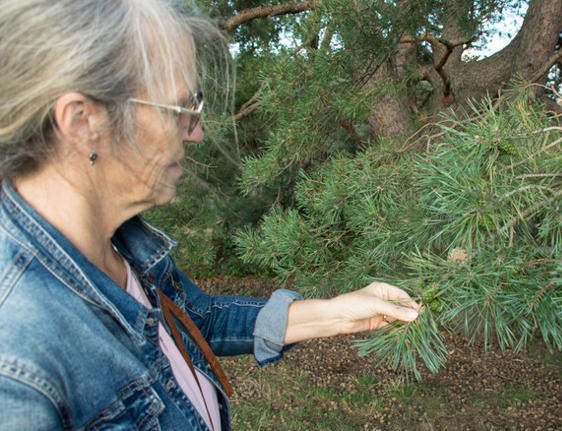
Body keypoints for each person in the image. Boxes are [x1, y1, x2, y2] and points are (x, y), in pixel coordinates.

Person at [0, 0, 420, 429]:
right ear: (83, 121)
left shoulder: (118, 241)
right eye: (182, 110)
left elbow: (196, 321)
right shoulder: (16, 362)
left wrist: (335, 313)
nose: (196, 133)